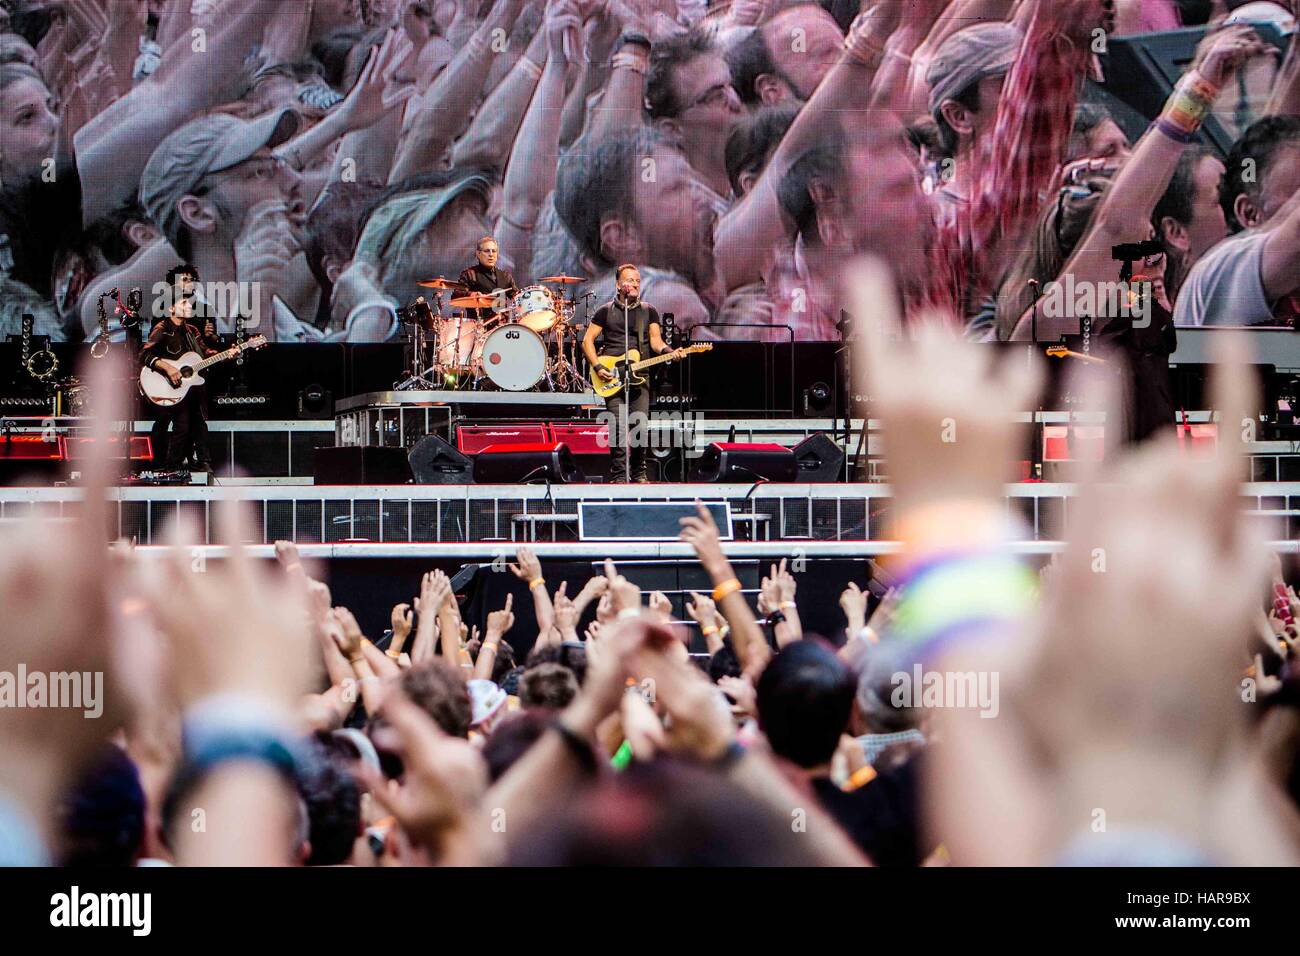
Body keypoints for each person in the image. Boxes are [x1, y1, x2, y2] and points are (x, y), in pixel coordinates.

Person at [582, 264, 671, 484]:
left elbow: (656, 341)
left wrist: (669, 351)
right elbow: (587, 341)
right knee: (618, 426)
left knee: (640, 425)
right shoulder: (605, 311)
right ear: (618, 285)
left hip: (640, 375)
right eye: (629, 280)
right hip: (611, 375)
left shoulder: (648, 311)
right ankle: (619, 476)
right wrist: (597, 366)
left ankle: (639, 473)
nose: (634, 284)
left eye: (637, 281)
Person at [140, 263, 222, 474]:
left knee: (194, 420)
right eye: (183, 279)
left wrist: (216, 340)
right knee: (170, 421)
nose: (188, 283)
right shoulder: (163, 314)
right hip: (168, 379)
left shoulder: (200, 313)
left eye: (190, 279)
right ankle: (163, 462)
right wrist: (167, 368)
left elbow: (204, 347)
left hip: (192, 376)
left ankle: (196, 461)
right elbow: (149, 350)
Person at [458, 235, 519, 321]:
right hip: (479, 327)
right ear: (478, 254)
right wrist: (471, 295)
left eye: (494, 251)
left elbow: (517, 296)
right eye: (487, 251)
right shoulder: (469, 274)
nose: (491, 254)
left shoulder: (505, 276)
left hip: (502, 326)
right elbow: (457, 294)